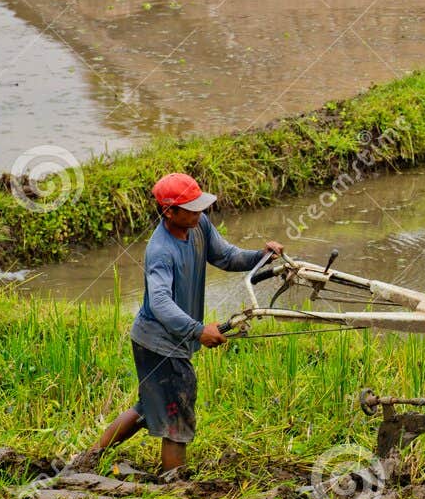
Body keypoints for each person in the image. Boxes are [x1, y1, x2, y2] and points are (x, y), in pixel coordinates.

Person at [79, 173, 282, 475]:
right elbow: (160, 303)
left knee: (148, 408)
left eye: (200, 205)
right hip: (159, 344)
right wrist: (198, 331)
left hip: (165, 341)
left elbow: (226, 256)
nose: (199, 211)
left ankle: (91, 456)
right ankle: (174, 483)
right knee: (177, 414)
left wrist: (261, 257)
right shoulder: (161, 250)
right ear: (169, 211)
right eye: (191, 207)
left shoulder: (198, 225)